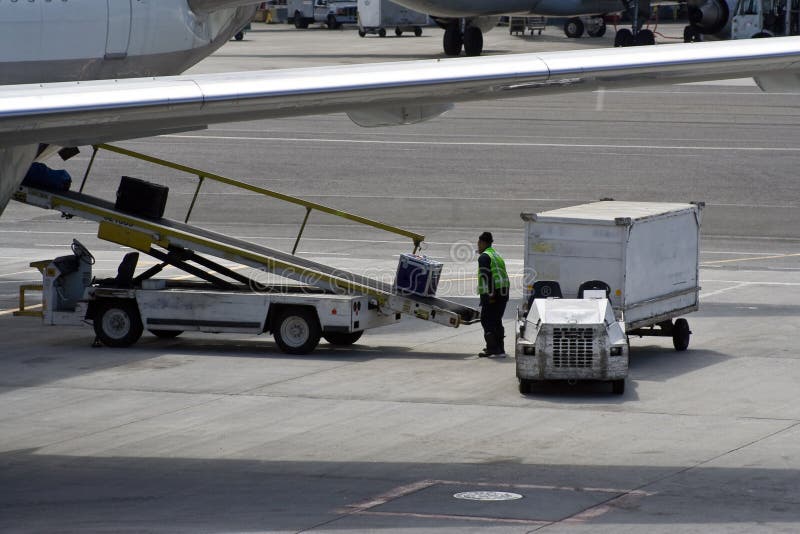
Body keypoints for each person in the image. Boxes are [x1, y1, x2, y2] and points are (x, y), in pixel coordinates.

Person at [476, 231, 510, 357]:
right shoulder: (496, 255)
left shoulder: (484, 257)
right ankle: (500, 349)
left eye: (479, 243)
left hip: (493, 293)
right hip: (504, 292)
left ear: (483, 243)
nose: (478, 246)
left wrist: (491, 294)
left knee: (486, 320)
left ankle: (493, 349)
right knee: (496, 320)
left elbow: (486, 276)